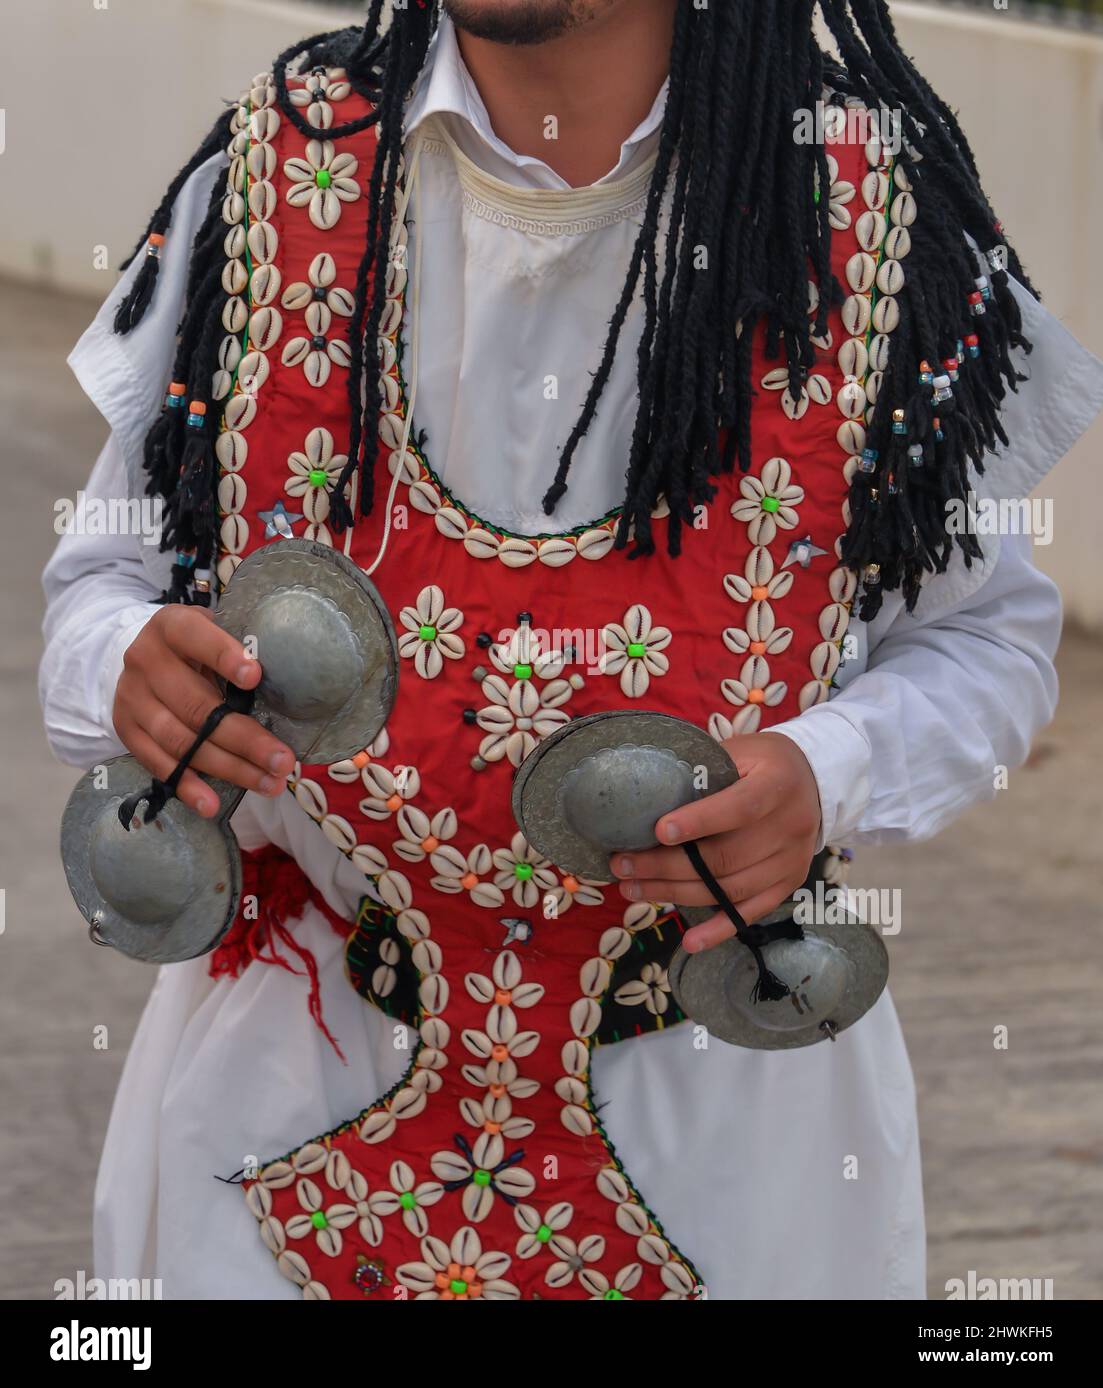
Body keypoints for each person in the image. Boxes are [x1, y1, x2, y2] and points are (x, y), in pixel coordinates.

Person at [40, 0, 1103, 1300]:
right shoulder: (277, 170)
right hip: (276, 1100)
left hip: (731, 1137)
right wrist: (133, 669)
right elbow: (97, 587)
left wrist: (832, 769)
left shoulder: (867, 210)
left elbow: (990, 641)